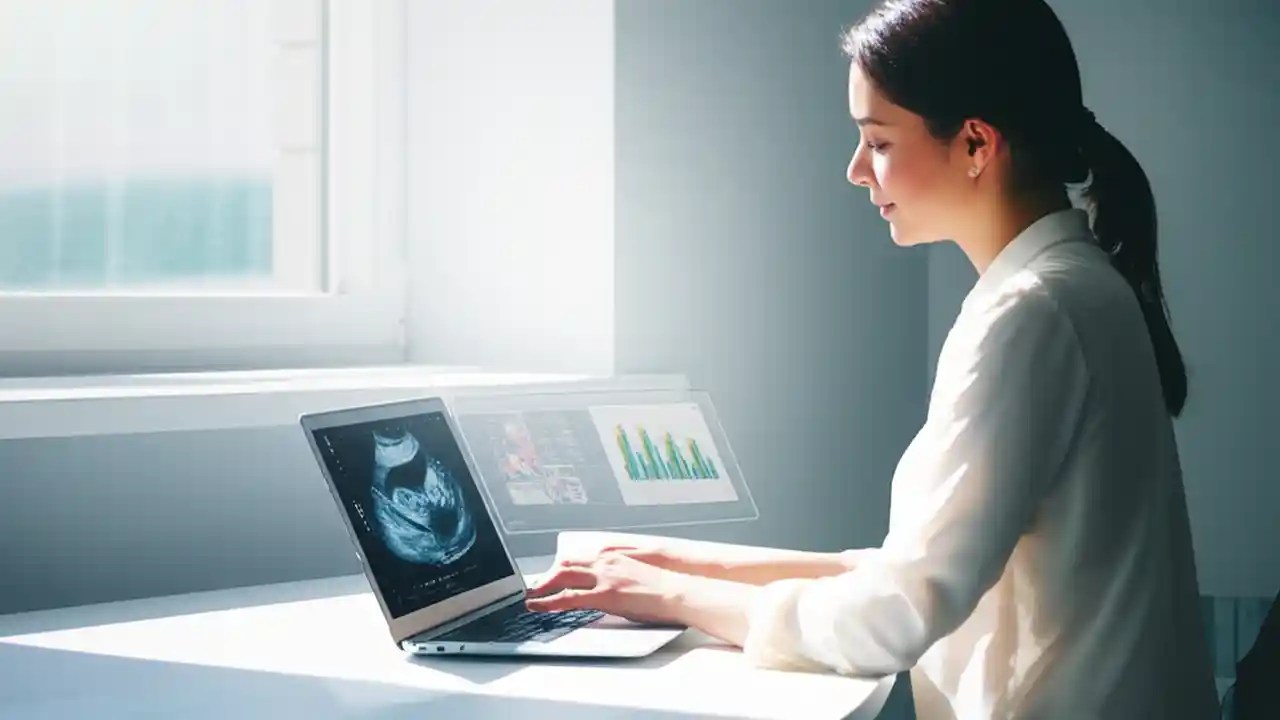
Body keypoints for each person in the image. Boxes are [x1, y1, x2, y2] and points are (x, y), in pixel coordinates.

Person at [526, 0, 1218, 716]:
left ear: (977, 145)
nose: (857, 171)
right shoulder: (1068, 290)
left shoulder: (1033, 313)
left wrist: (672, 597)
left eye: (879, 142)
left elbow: (898, 613)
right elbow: (907, 572)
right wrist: (674, 566)